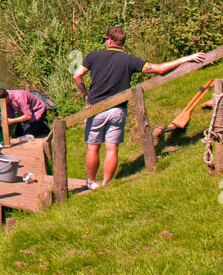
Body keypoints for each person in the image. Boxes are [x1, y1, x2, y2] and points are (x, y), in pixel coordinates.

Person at [73, 27, 207, 190]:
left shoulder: (93, 56)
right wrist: (187, 58)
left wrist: (86, 94)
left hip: (95, 109)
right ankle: (106, 184)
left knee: (93, 147)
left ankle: (91, 182)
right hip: (117, 110)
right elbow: (159, 69)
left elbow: (77, 76)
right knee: (111, 148)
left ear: (108, 40)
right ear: (121, 43)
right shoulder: (130, 60)